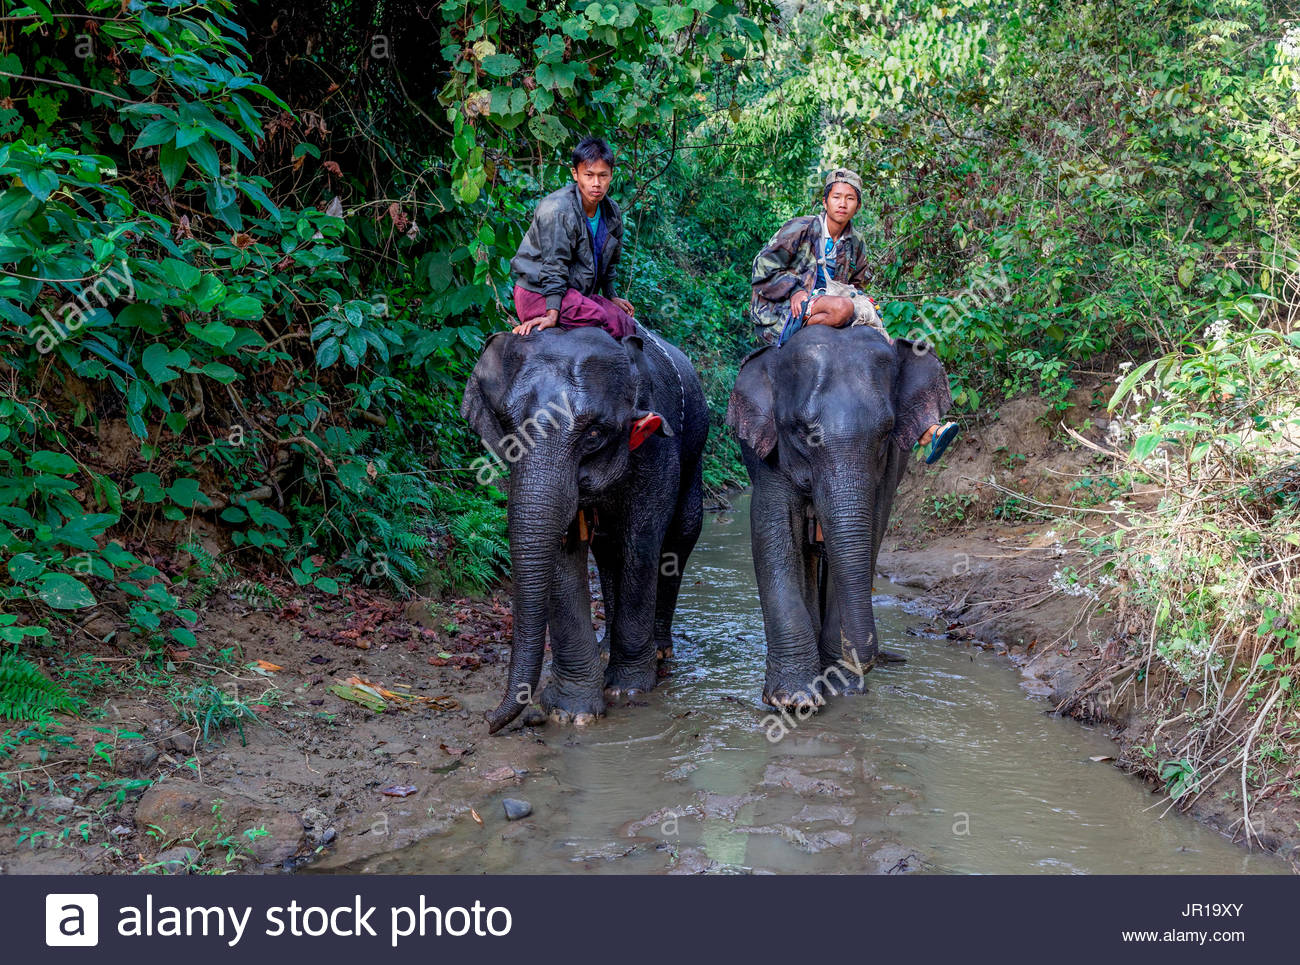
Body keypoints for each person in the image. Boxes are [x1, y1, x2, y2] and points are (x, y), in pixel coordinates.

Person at [749, 167, 959, 464]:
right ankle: (814, 313)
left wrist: (865, 302)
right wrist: (796, 289)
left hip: (830, 316)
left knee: (880, 347)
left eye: (850, 198)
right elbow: (762, 267)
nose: (842, 203)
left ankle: (926, 430)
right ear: (825, 201)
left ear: (857, 205)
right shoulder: (801, 228)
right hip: (781, 311)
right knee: (844, 308)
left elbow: (856, 285)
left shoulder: (856, 243)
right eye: (836, 197)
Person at [509, 137, 636, 339]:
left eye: (603, 175)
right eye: (589, 175)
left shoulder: (611, 212)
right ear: (575, 174)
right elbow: (554, 265)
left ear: (611, 175)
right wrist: (552, 314)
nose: (596, 183)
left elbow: (610, 261)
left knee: (625, 324)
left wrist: (611, 295)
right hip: (539, 292)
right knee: (596, 316)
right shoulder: (558, 210)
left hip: (577, 295)